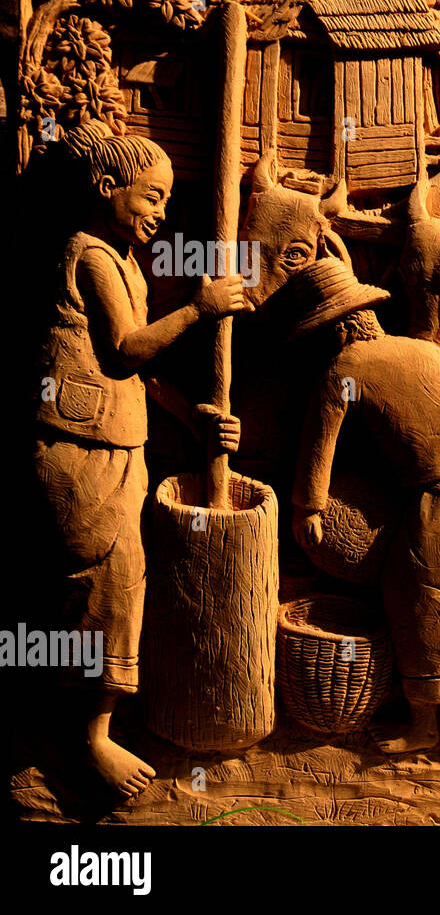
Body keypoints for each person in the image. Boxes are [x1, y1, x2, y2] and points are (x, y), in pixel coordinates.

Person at [34, 122, 247, 798]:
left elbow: (139, 373)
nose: (161, 212)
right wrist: (199, 306)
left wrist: (193, 416)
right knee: (107, 583)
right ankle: (84, 739)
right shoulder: (90, 254)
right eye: (151, 197)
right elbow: (126, 348)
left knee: (119, 582)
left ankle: (84, 729)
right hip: (79, 448)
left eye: (167, 200)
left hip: (119, 444)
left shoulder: (124, 262)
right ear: (106, 187)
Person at [288, 258, 440, 756]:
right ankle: (429, 715)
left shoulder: (347, 366)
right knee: (417, 585)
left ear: (336, 329)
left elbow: (320, 442)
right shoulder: (415, 350)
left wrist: (307, 508)